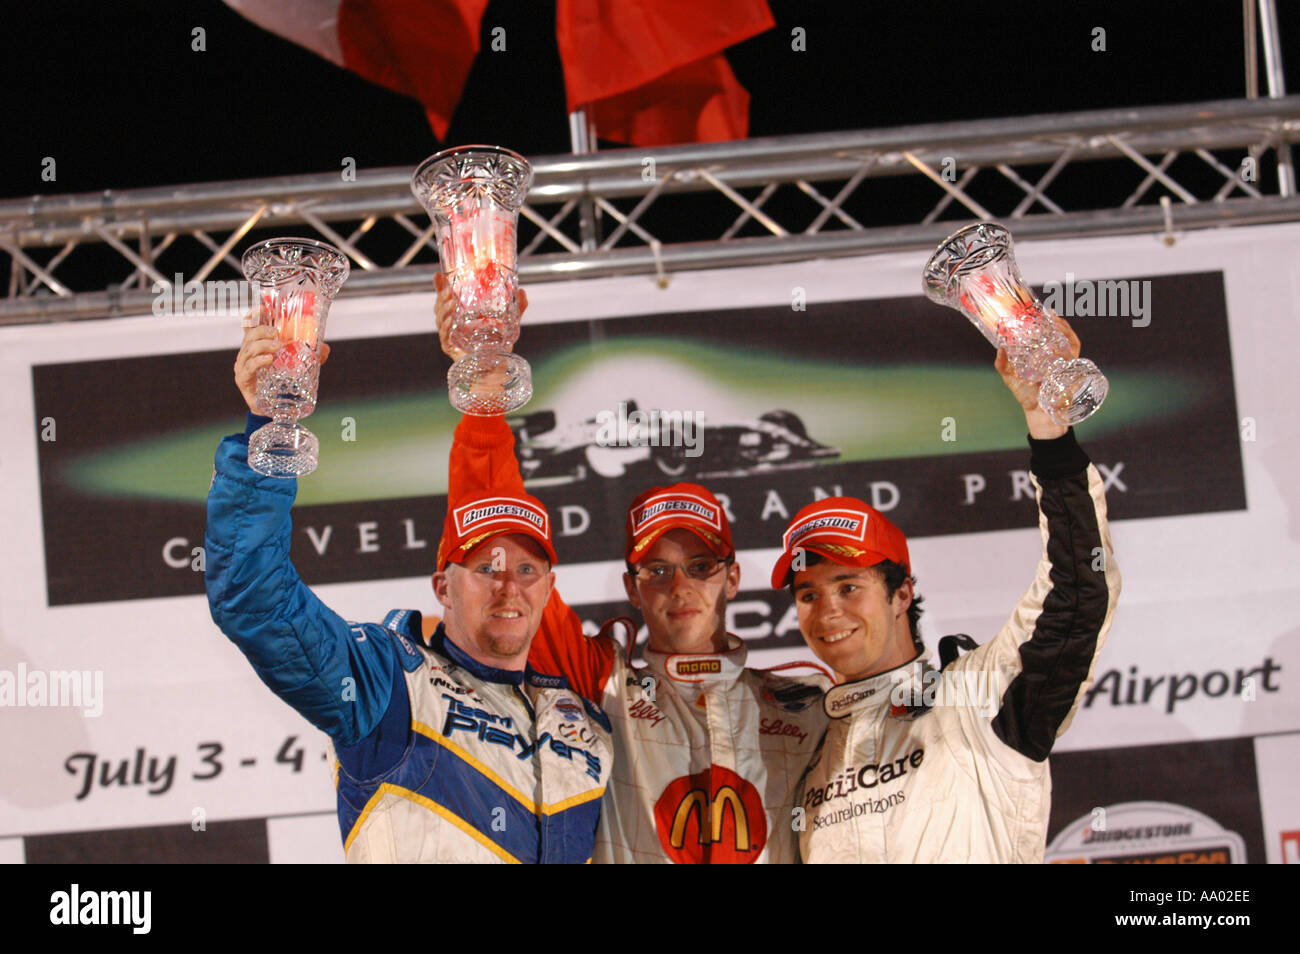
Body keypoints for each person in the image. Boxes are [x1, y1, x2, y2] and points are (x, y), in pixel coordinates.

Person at [436, 276, 831, 864]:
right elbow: (491, 525)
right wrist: (484, 394)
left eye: (699, 566)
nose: (680, 588)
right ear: (631, 587)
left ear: (731, 578)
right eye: (657, 570)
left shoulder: (805, 704)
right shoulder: (598, 685)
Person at [204, 307, 612, 864]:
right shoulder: (387, 680)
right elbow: (254, 599)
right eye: (486, 568)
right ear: (443, 585)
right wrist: (270, 430)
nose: (508, 587)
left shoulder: (586, 721)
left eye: (526, 570)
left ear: (548, 586)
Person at [770, 317, 1121, 863]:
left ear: (901, 593)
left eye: (848, 585)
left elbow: (1076, 592)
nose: (828, 611)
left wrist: (1049, 430)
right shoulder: (806, 752)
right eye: (808, 594)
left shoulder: (980, 698)